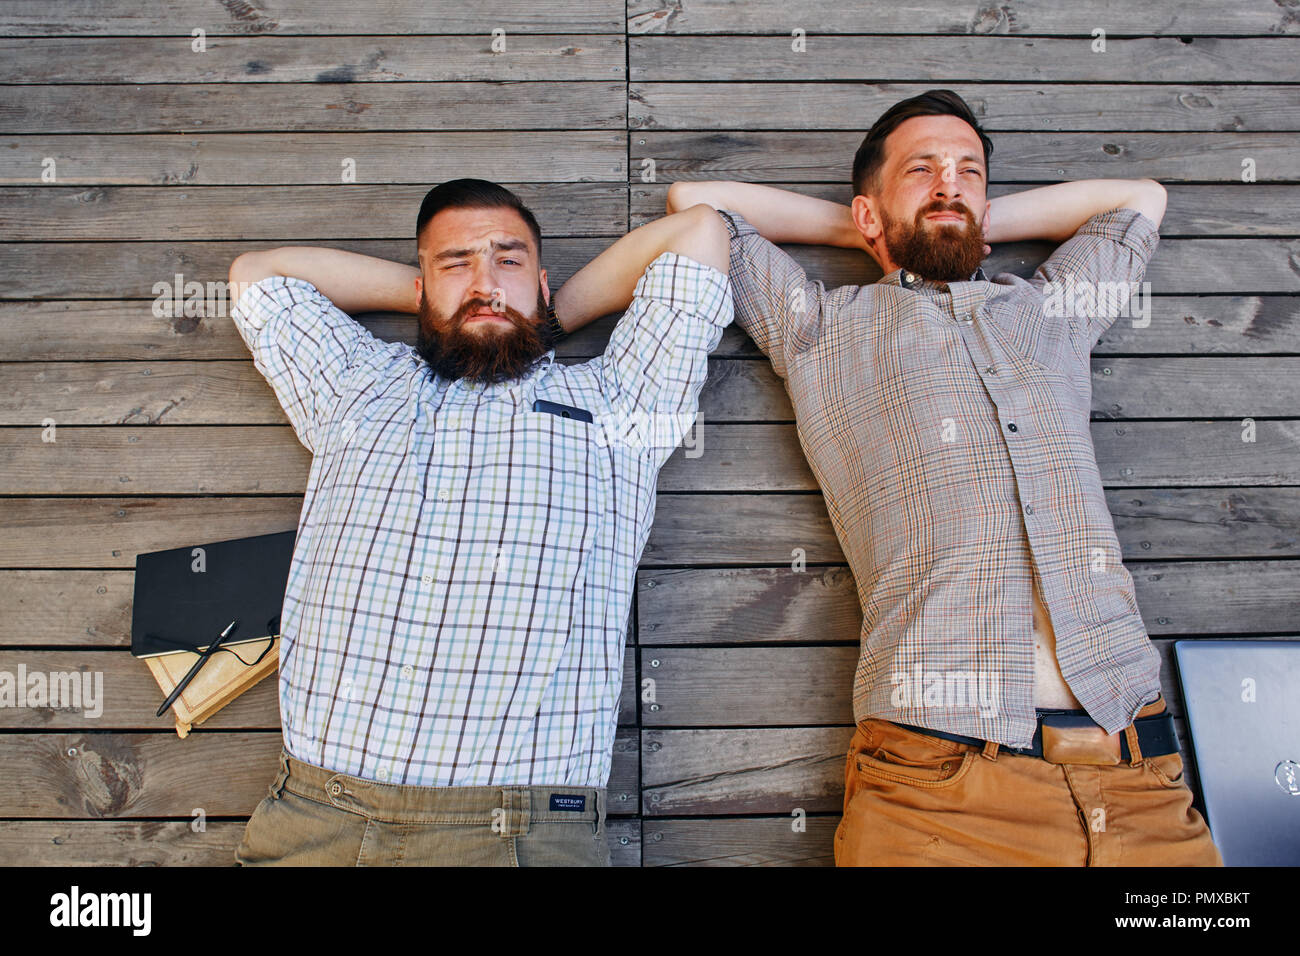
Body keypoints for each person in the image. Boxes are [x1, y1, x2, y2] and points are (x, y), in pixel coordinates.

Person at [667, 90, 1222, 866]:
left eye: (969, 172)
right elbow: (700, 206)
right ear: (868, 211)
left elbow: (1138, 201)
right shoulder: (818, 326)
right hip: (941, 790)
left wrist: (964, 215)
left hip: (1141, 783)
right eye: (921, 170)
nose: (949, 184)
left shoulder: (1050, 312)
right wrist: (878, 228)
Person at [228, 179, 732, 865]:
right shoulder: (359, 387)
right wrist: (451, 300)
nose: (485, 281)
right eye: (455, 263)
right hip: (321, 816)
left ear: (542, 284)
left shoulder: (620, 406)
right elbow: (258, 276)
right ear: (420, 288)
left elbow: (698, 231)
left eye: (508, 260)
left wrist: (537, 315)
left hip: (518, 832)